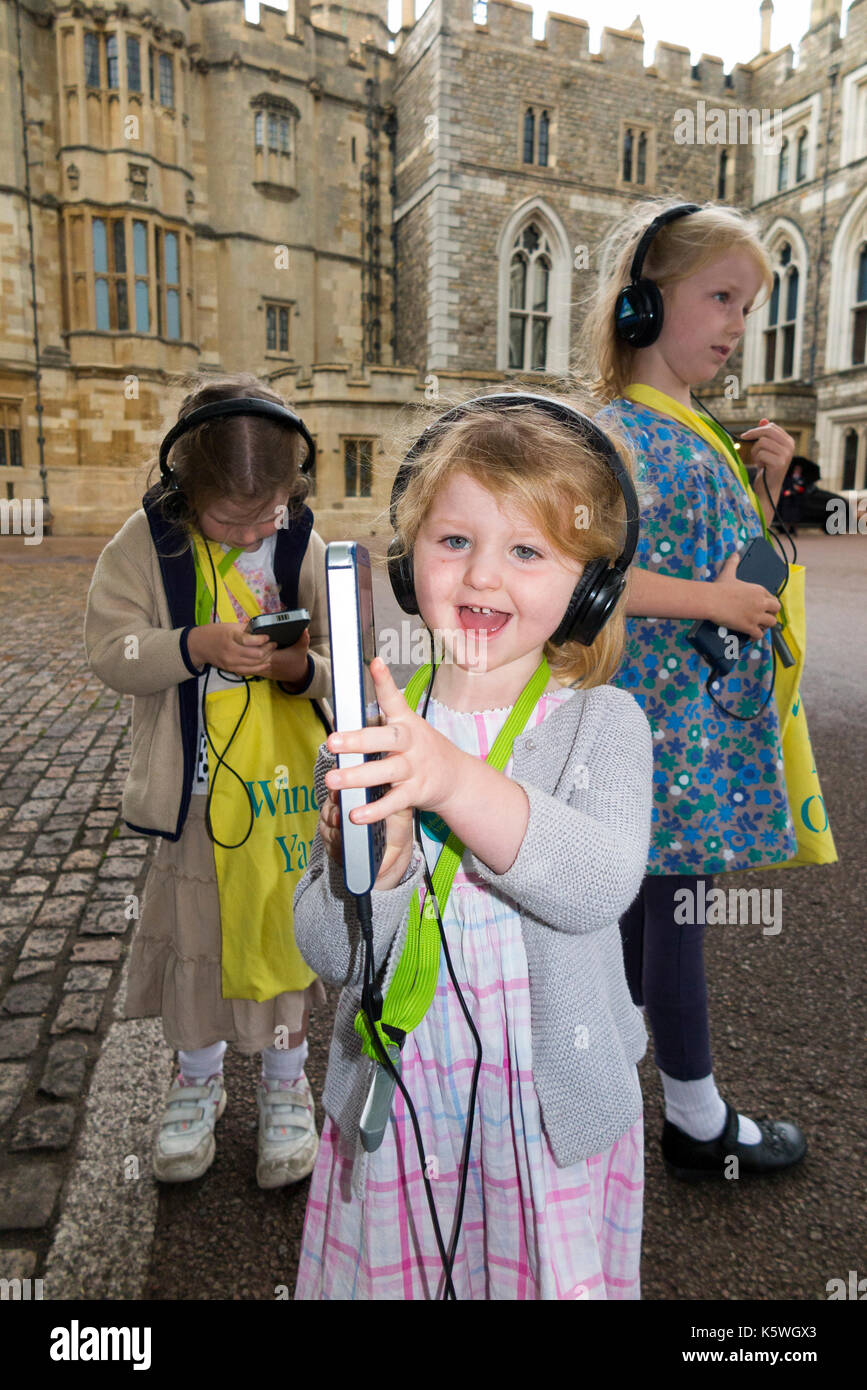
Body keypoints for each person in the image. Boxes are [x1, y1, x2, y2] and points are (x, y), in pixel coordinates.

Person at [291, 391, 654, 1300]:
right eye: (455, 541)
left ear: (590, 584)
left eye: (527, 550)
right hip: (411, 1093)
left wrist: (452, 780)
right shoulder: (373, 724)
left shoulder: (603, 726)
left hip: (542, 1114)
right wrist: (371, 873)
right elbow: (329, 951)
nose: (483, 577)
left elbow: (596, 883)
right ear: (410, 564)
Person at [582, 197, 810, 1179]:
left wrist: (765, 495)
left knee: (655, 916)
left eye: (747, 308)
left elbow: (744, 573)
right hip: (655, 729)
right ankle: (696, 1116)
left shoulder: (699, 429)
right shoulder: (617, 435)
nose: (733, 326)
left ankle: (612, 1083)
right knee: (674, 923)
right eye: (718, 296)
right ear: (642, 306)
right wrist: (711, 600)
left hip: (698, 726)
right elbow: (586, 579)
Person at [84, 373, 331, 1188]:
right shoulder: (143, 543)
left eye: (270, 511)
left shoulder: (301, 540)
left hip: (284, 800)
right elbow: (111, 651)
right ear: (185, 490)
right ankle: (196, 1084)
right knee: (198, 940)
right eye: (232, 518)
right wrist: (194, 646)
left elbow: (341, 666)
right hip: (193, 798)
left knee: (283, 939)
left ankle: (286, 1089)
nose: (256, 527)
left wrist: (299, 666)